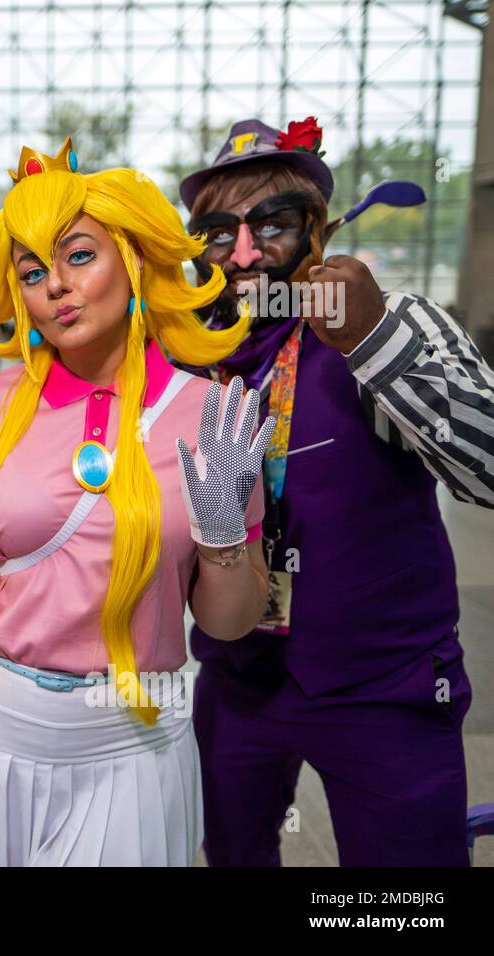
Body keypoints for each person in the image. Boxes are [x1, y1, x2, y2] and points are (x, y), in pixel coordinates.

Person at [0, 140, 274, 866]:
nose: (55, 285)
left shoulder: (212, 413)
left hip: (133, 747)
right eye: (33, 271)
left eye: (79, 256)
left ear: (132, 260)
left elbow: (229, 622)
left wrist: (223, 540)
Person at [179, 117, 494, 866]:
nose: (245, 253)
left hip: (384, 688)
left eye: (272, 225)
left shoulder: (395, 319)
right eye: (221, 233)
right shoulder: (193, 353)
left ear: (317, 231)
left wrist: (371, 340)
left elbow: (488, 464)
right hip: (238, 683)